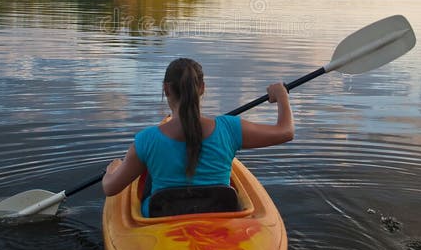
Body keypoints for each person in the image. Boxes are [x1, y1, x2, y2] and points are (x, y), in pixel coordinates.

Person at [102, 57, 294, 216]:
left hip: (162, 220)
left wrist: (112, 170)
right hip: (220, 216)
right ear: (202, 88)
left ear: (166, 89)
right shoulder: (229, 129)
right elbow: (286, 132)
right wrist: (281, 95)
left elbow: (110, 188)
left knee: (149, 171)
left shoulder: (147, 140)